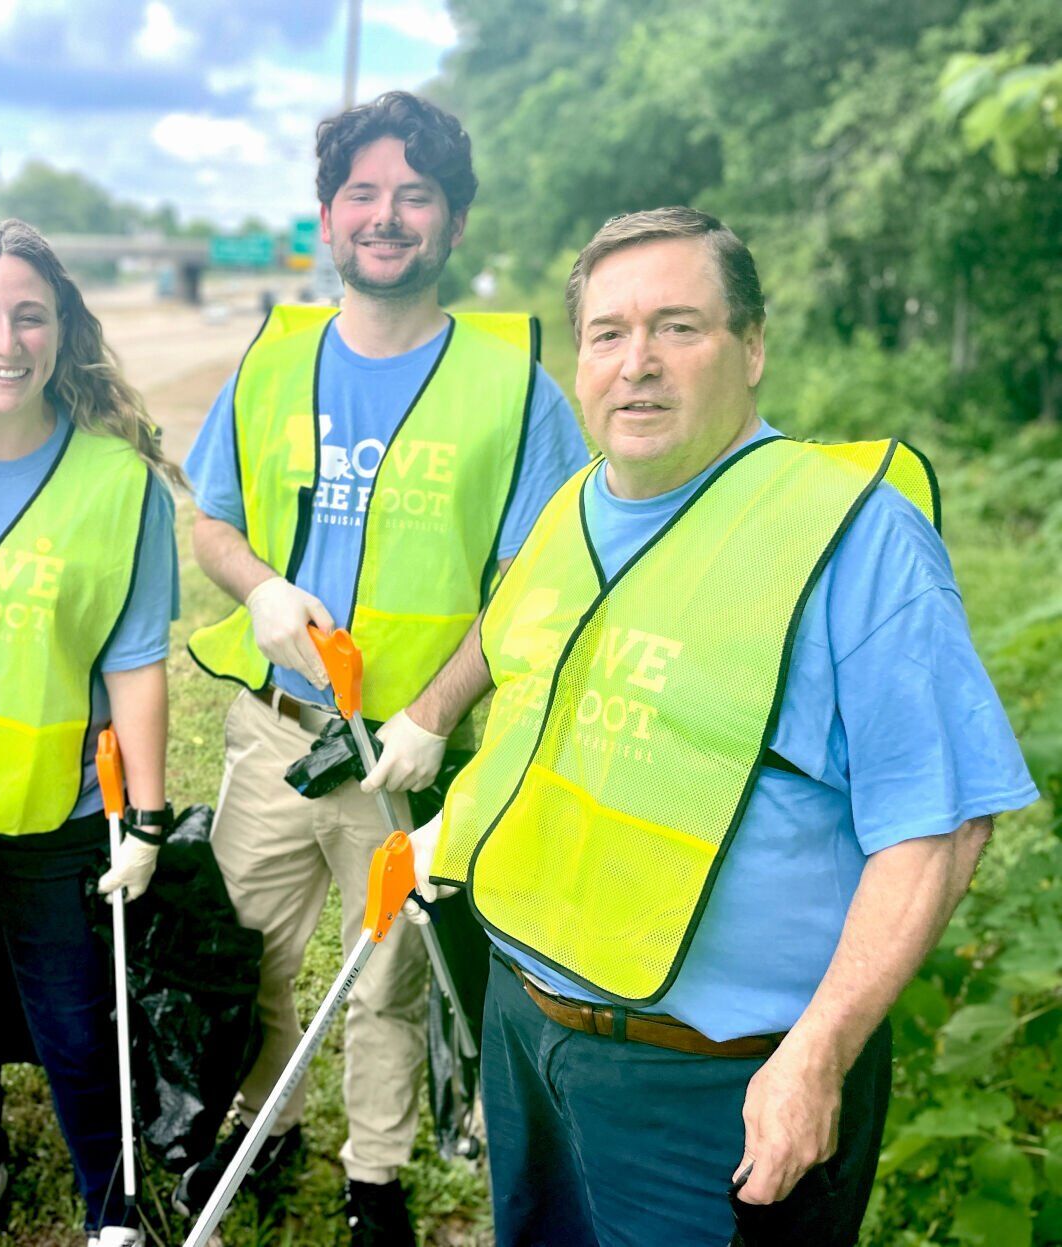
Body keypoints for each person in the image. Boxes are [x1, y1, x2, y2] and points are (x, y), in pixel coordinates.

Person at [406, 206, 1039, 1246]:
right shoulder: (569, 511)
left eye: (679, 327)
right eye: (608, 334)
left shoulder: (856, 534)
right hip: (531, 1029)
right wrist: (454, 809)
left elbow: (938, 825)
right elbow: (541, 713)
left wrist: (818, 1054)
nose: (638, 363)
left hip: (719, 1082)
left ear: (752, 348)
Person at [179, 91, 590, 1244]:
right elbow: (211, 522)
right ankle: (266, 1130)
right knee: (249, 955)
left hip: (405, 749)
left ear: (453, 220)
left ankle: (377, 1180)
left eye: (416, 194)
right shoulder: (271, 363)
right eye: (363, 192)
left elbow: (532, 583)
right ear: (327, 217)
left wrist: (437, 707)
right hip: (276, 730)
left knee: (386, 978)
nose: (387, 215)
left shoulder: (515, 390)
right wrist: (258, 586)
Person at [0, 219, 183, 1247]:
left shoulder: (119, 479)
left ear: (65, 329)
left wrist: (143, 817)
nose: (3, 340)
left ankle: (112, 1212)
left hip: (52, 808)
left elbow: (136, 657)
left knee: (73, 1022)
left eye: (28, 315)